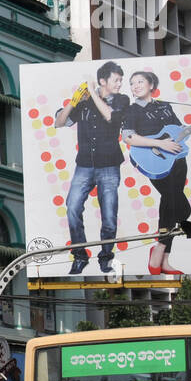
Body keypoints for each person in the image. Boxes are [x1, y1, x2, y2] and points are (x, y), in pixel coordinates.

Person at [55, 61, 130, 274]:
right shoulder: (84, 102)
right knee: (72, 207)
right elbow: (59, 122)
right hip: (84, 165)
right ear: (103, 81)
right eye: (116, 80)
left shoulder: (122, 100)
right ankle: (80, 256)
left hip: (109, 165)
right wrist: (74, 101)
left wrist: (93, 94)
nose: (119, 84)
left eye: (120, 80)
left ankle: (106, 257)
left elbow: (111, 117)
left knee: (108, 214)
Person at [122, 70, 191, 275]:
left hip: (178, 159)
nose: (135, 86)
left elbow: (179, 130)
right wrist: (159, 143)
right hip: (155, 161)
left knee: (173, 206)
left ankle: (163, 257)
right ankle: (160, 250)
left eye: (140, 81)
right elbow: (129, 138)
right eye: (132, 83)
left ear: (151, 84)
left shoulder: (165, 105)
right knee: (179, 207)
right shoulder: (132, 110)